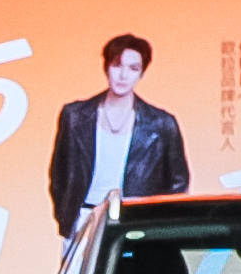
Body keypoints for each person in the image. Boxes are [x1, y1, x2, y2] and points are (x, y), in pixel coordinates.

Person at [43, 33, 190, 254]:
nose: (123, 75)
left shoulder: (161, 123)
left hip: (137, 224)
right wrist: (67, 219)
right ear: (106, 67)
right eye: (117, 65)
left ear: (142, 73)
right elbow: (59, 176)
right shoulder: (75, 116)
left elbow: (178, 183)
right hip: (84, 219)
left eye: (133, 68)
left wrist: (157, 226)